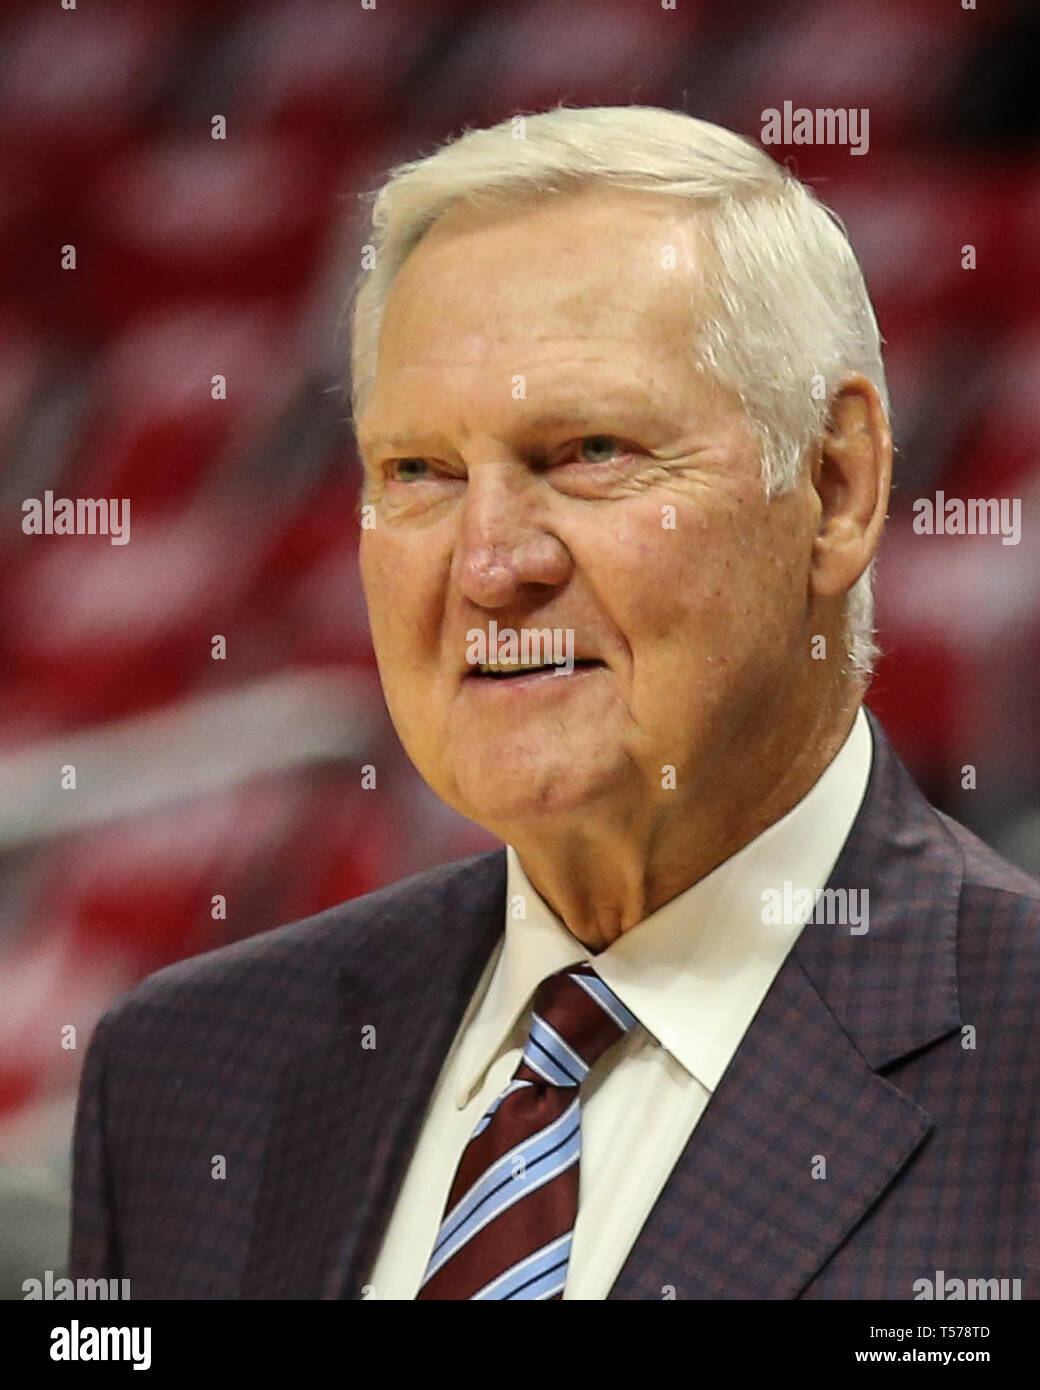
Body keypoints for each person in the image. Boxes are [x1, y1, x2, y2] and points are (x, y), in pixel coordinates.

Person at [70, 106, 1040, 1300]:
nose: (488, 565)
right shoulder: (185, 1068)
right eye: (416, 471)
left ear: (834, 487)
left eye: (586, 450)